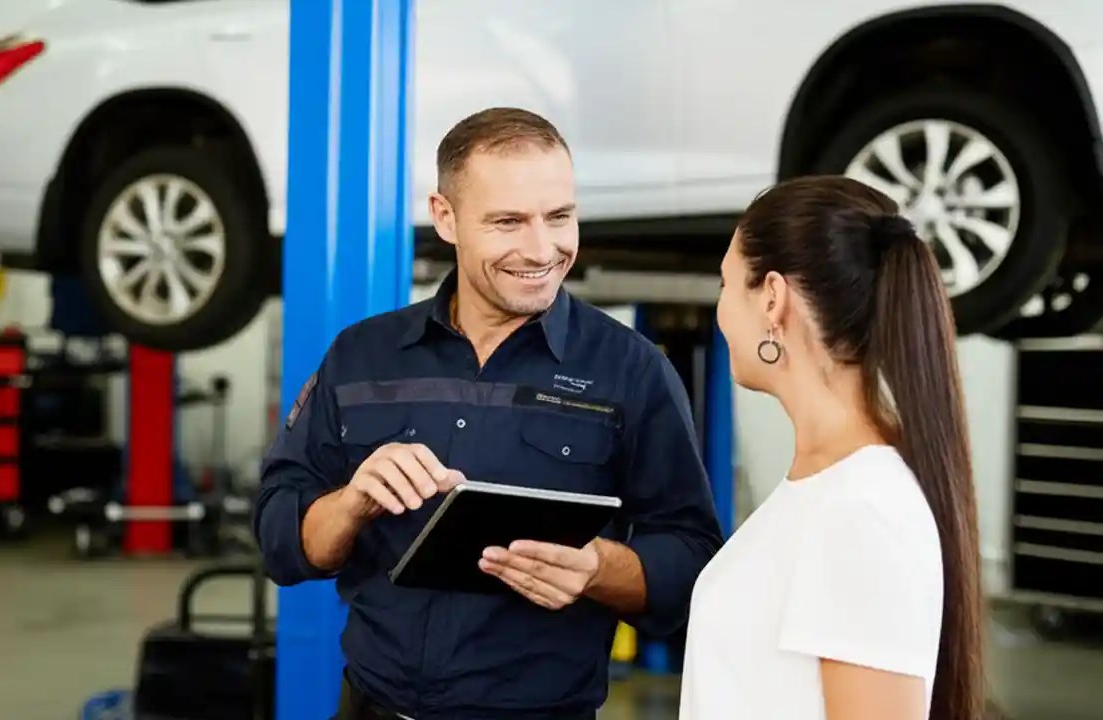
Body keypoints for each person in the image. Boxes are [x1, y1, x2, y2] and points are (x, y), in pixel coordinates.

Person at [253, 106, 723, 719]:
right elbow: (278, 543)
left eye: (560, 217)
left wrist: (595, 569)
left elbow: (692, 558)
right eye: (508, 222)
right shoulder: (362, 355)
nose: (541, 248)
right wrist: (352, 501)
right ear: (445, 218)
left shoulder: (631, 371)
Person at [680, 175, 985, 720]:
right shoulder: (828, 486)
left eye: (726, 284)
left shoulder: (861, 509)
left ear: (772, 298)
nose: (721, 311)